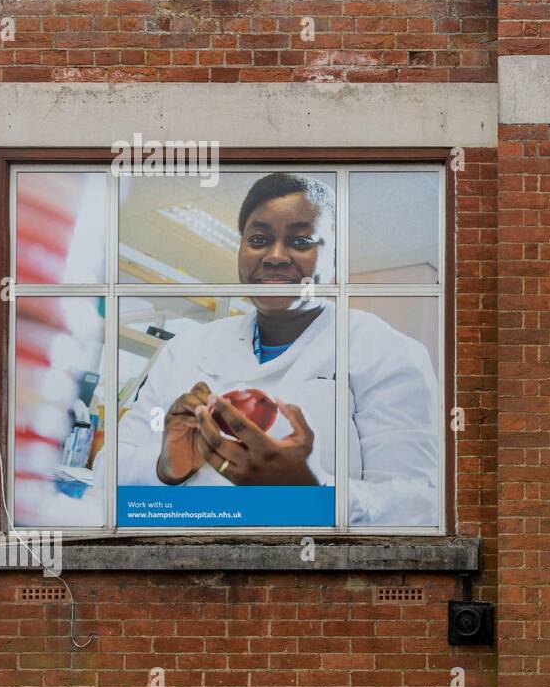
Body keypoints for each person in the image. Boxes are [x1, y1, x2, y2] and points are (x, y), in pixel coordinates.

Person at [117, 172, 439, 527]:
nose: (274, 256)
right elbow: (108, 475)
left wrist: (311, 491)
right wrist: (166, 468)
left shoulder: (385, 352)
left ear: (337, 257)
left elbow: (418, 507)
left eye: (301, 241)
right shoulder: (184, 351)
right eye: (258, 239)